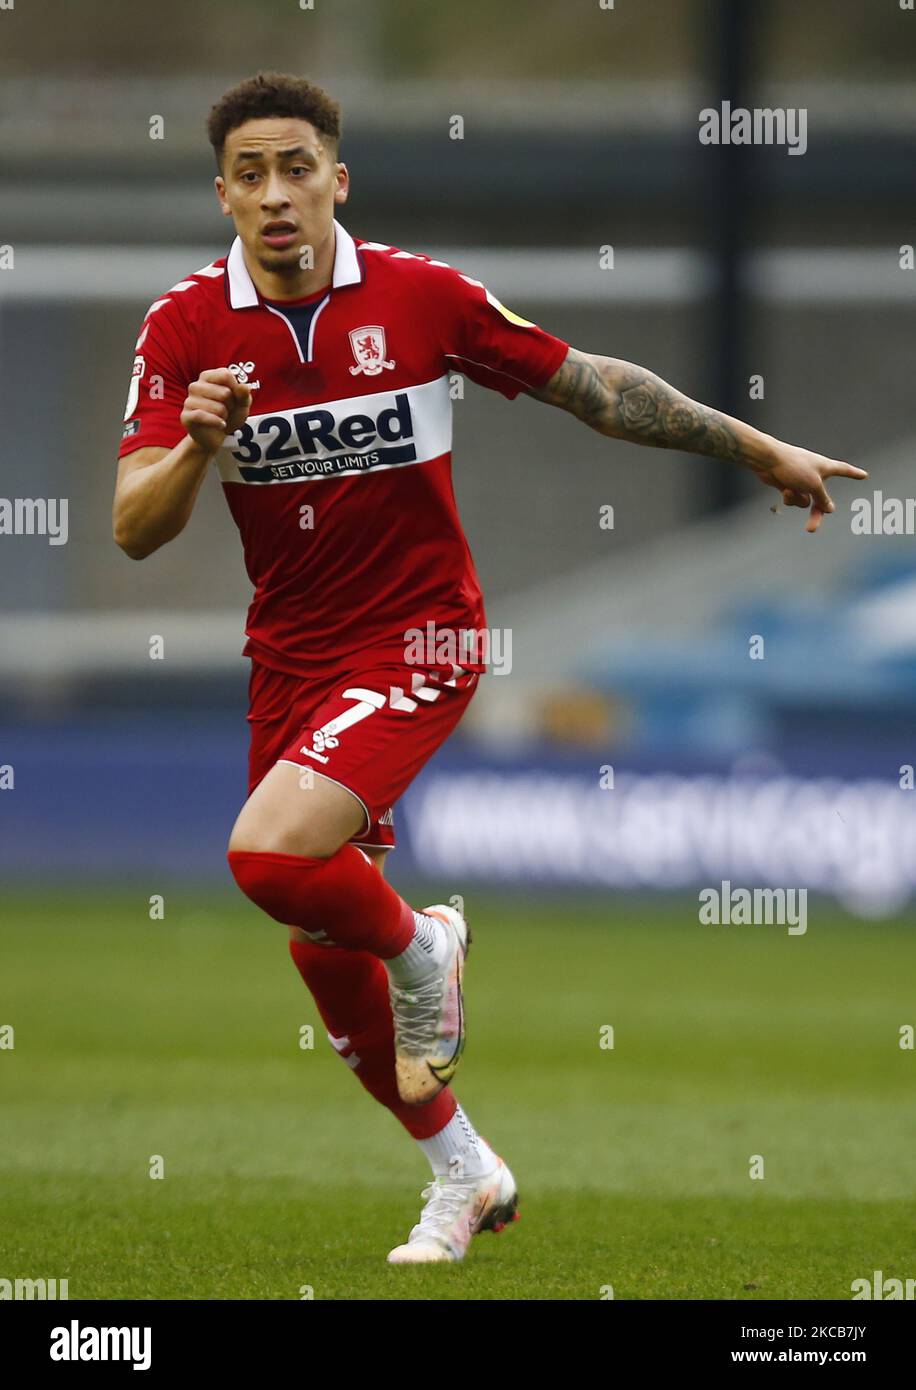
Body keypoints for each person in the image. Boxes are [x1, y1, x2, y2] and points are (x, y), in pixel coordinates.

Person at [112, 71, 866, 1265]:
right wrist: (197, 449)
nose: (275, 195)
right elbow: (133, 526)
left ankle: (429, 946)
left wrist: (761, 446)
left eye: (296, 167)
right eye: (248, 174)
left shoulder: (418, 298)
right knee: (321, 944)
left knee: (266, 856)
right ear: (223, 195)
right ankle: (464, 1171)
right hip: (291, 656)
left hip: (421, 635)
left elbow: (594, 388)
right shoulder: (185, 330)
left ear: (336, 180)